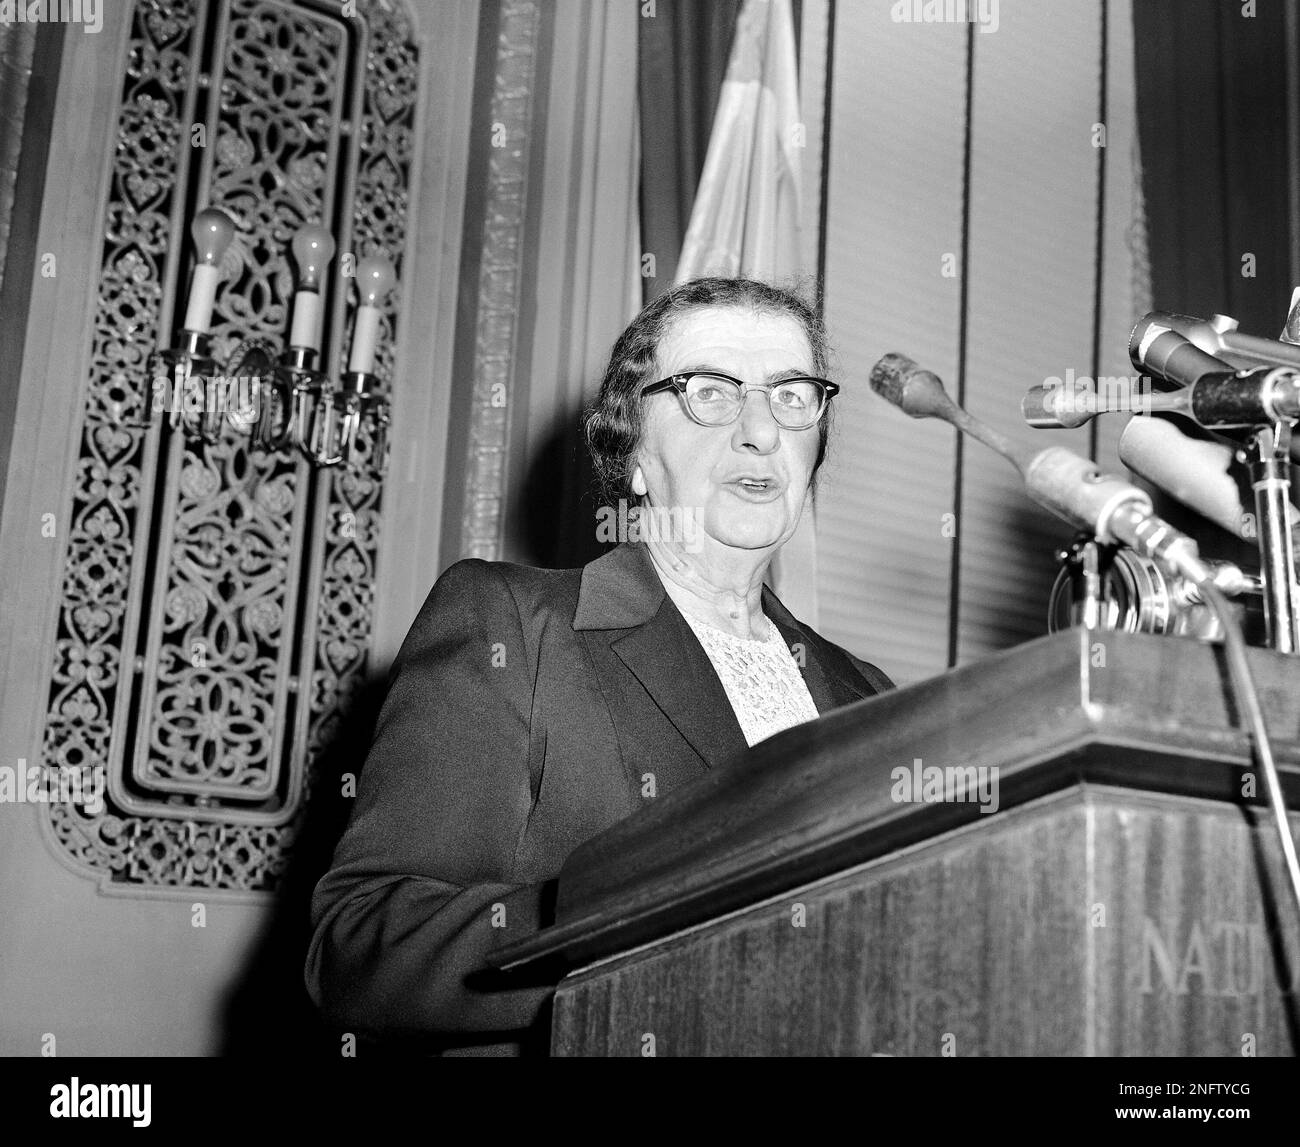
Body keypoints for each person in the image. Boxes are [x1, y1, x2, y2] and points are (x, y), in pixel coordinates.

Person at [304, 277, 894, 1055]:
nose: (760, 429)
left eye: (791, 394)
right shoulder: (514, 623)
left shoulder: (870, 696)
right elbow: (359, 946)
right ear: (634, 455)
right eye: (710, 391)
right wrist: (641, 919)